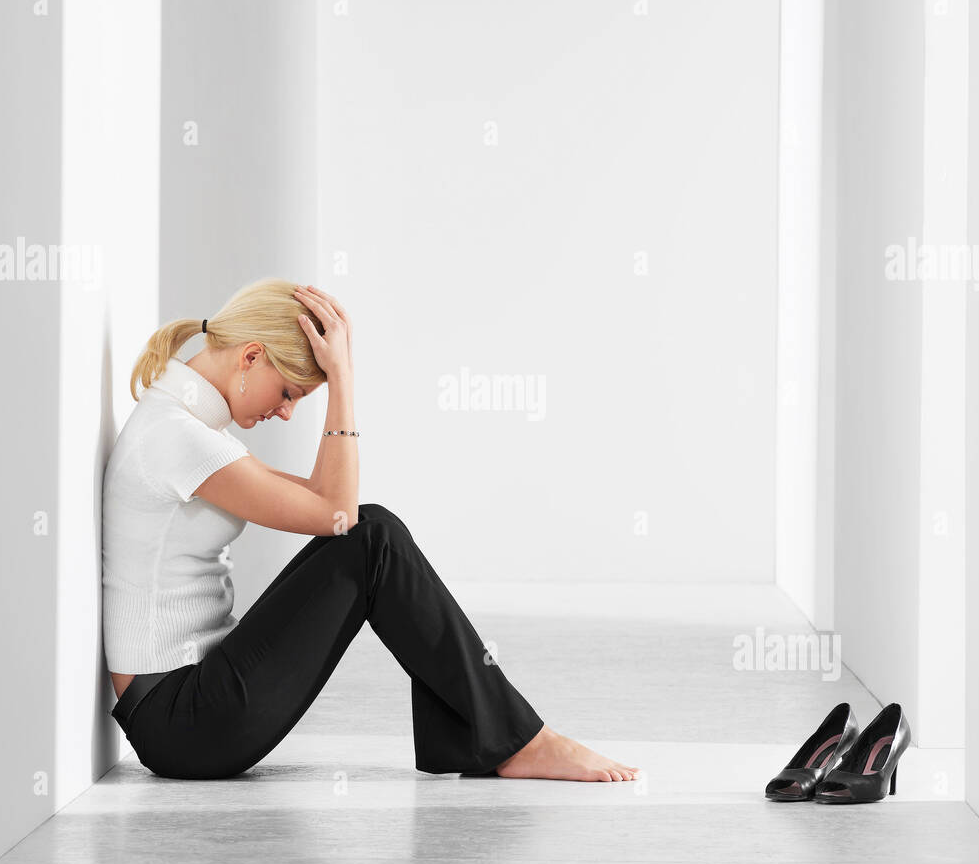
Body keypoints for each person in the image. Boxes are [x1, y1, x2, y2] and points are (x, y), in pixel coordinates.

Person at [101, 277, 641, 783]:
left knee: (373, 532)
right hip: (183, 723)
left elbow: (325, 501)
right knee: (372, 537)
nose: (286, 412)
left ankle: (490, 737)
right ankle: (513, 741)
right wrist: (343, 379)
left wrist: (338, 376)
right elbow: (338, 512)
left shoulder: (181, 426)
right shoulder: (177, 438)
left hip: (191, 702)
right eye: (289, 392)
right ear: (250, 357)